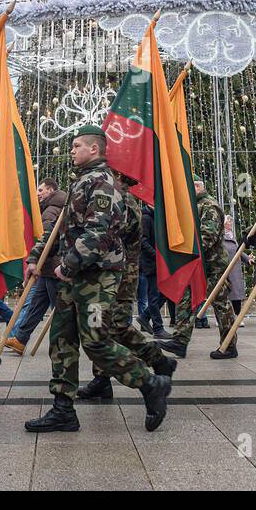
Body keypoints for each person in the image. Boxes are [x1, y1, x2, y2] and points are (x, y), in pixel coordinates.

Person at [24, 126, 171, 434]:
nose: (72, 150)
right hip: (73, 278)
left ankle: (149, 383)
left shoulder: (104, 184)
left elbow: (99, 232)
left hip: (96, 278)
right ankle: (63, 409)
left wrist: (68, 264)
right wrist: (37, 256)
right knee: (61, 340)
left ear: (94, 149)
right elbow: (60, 228)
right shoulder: (81, 182)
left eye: (77, 145)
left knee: (96, 342)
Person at [75, 171, 176, 399]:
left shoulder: (125, 201)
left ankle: (157, 360)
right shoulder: (120, 198)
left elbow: (110, 235)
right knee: (103, 327)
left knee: (116, 326)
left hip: (121, 276)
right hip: (114, 273)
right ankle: (101, 379)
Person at [162, 177, 235, 358]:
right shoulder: (194, 206)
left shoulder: (209, 206)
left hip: (213, 264)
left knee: (221, 304)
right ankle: (180, 340)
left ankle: (229, 345)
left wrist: (187, 252)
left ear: (197, 186)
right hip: (196, 263)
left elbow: (207, 236)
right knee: (185, 298)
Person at [2, 179, 65, 355]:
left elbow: (48, 239)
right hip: (48, 268)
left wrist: (35, 260)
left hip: (52, 267)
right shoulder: (53, 207)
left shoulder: (50, 210)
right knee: (36, 306)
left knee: (59, 310)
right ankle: (20, 339)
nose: (37, 193)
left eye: (41, 190)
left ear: (51, 190)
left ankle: (63, 346)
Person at [136, 205, 166, 335]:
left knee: (164, 294)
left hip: (158, 263)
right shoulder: (146, 218)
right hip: (150, 263)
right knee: (153, 296)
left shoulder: (156, 218)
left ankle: (144, 317)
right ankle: (158, 328)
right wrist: (156, 255)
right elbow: (143, 241)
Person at [223, 216, 249, 323]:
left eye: (230, 221)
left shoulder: (232, 237)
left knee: (236, 295)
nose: (230, 223)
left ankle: (237, 316)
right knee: (224, 295)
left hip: (235, 270)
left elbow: (238, 251)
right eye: (228, 221)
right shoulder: (220, 237)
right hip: (225, 269)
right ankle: (224, 318)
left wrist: (248, 259)